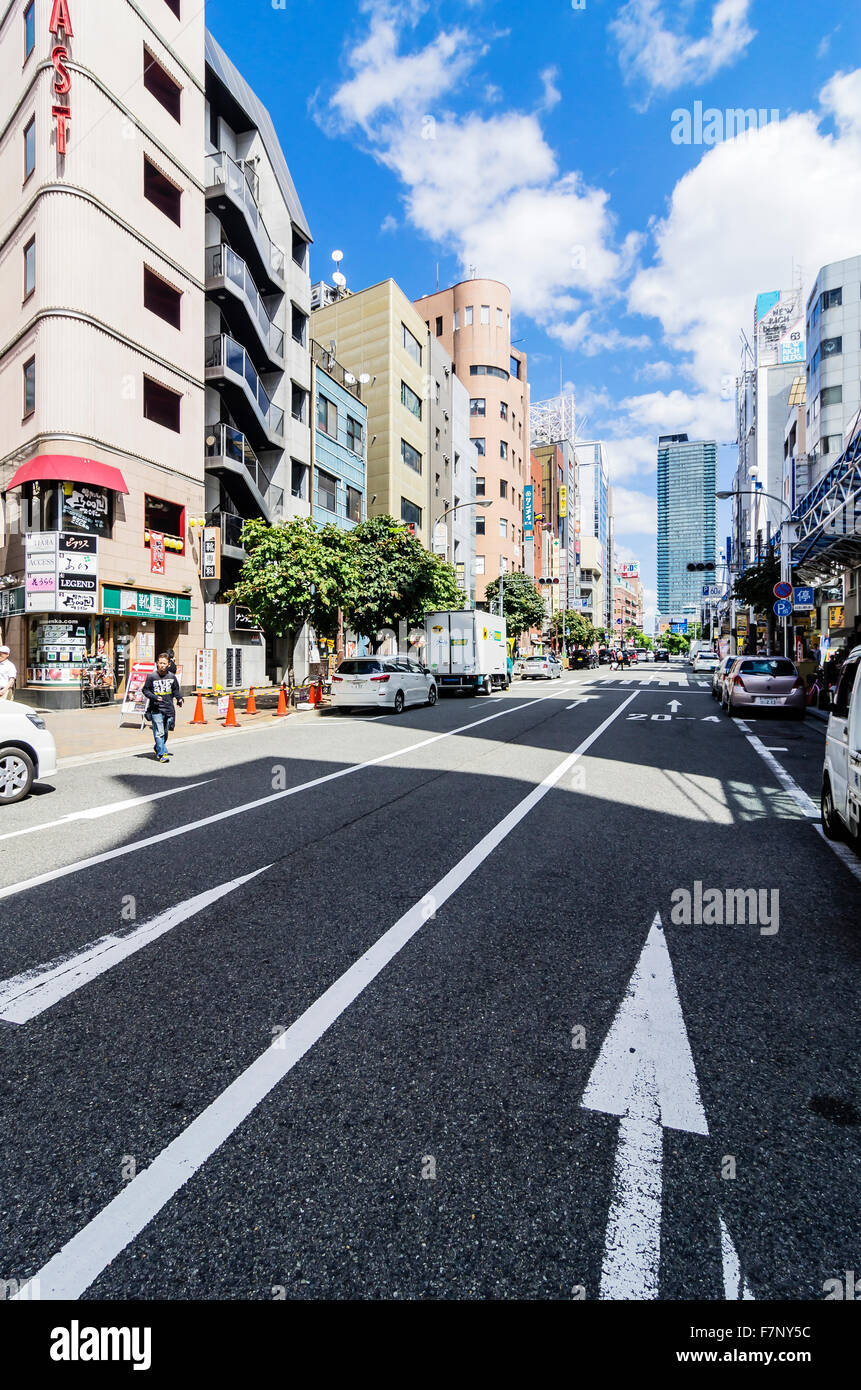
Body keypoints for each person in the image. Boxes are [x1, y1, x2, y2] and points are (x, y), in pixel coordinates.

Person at [142, 652, 183, 762]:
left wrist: (179, 699)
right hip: (156, 708)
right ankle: (162, 754)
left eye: (164, 663)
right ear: (157, 663)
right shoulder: (152, 677)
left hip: (168, 708)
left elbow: (175, 691)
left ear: (169, 664)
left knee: (165, 732)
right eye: (160, 663)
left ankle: (157, 747)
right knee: (159, 732)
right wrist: (154, 697)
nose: (162, 665)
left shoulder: (171, 676)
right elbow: (145, 690)